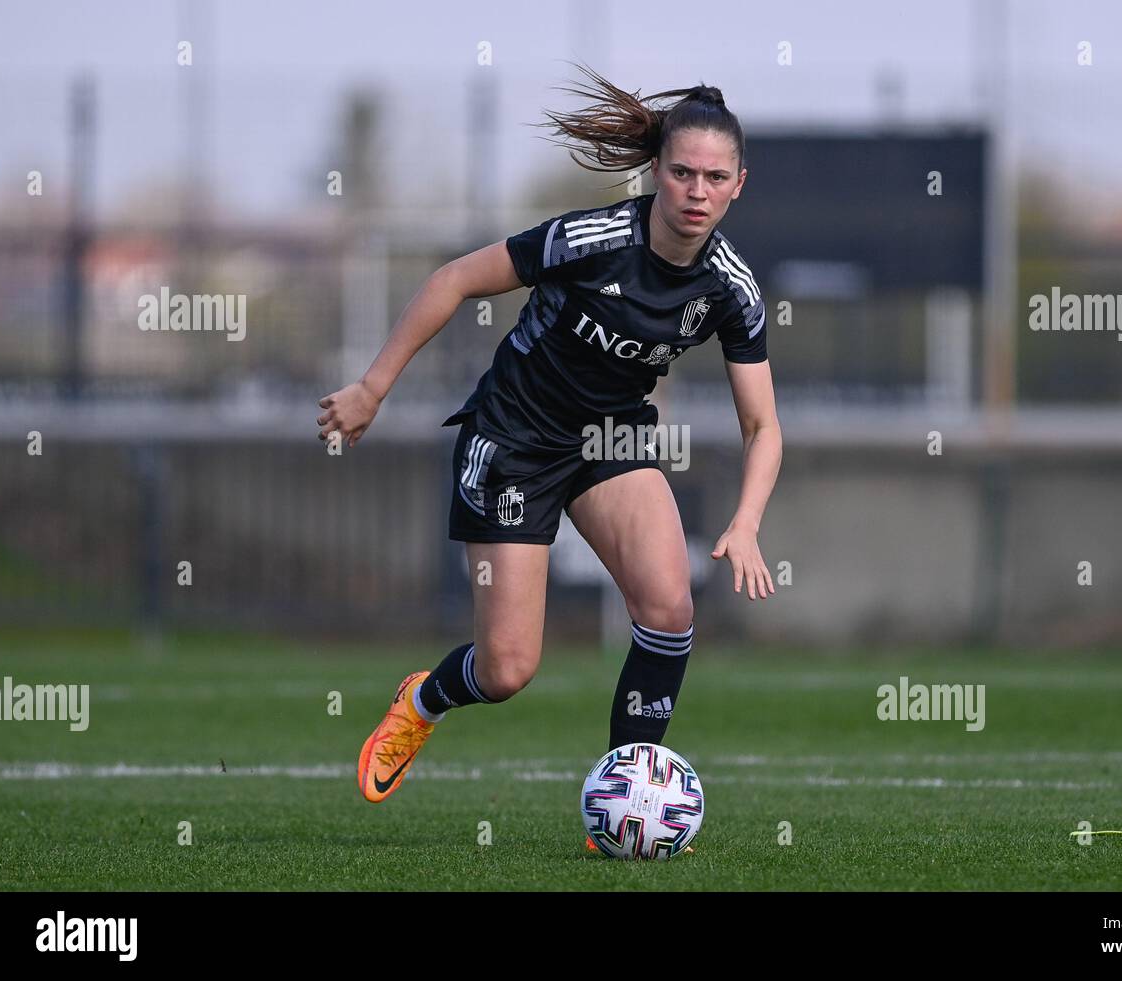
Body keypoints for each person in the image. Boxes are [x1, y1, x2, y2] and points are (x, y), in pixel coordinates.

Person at [316, 65, 782, 846]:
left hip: (611, 439)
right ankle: (425, 698)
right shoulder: (593, 238)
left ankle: (627, 802)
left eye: (714, 177)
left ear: (739, 184)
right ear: (656, 171)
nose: (696, 191)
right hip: (514, 440)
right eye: (681, 172)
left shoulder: (731, 288)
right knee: (506, 671)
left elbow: (762, 424)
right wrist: (372, 387)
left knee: (669, 607)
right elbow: (456, 278)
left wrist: (747, 521)